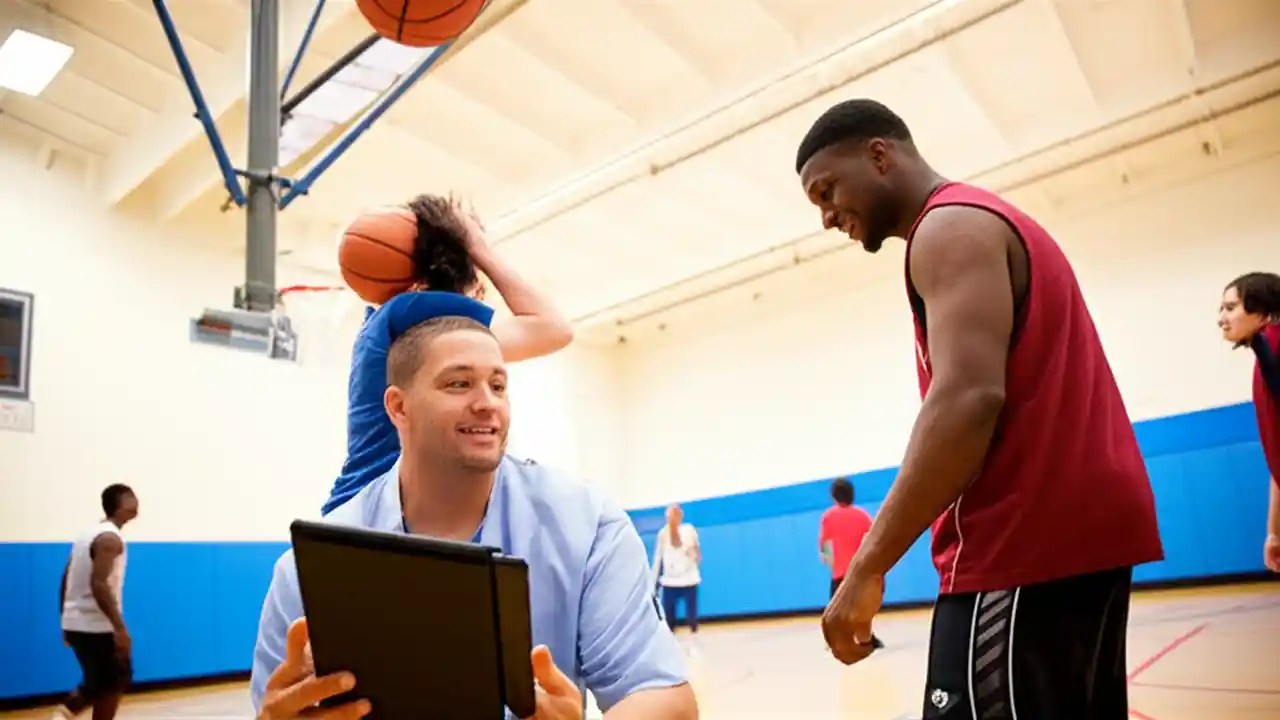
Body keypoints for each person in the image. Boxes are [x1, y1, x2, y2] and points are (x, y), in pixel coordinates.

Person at [794, 98, 1163, 719]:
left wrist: (866, 567)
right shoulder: (983, 221)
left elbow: (967, 401)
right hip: (1078, 535)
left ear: (879, 155)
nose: (828, 217)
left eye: (827, 191)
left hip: (1022, 542)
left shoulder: (948, 228)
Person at [250, 308, 698, 720]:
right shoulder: (308, 569)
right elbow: (273, 708)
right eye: (459, 384)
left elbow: (664, 697)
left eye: (498, 385)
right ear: (398, 407)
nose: (488, 403)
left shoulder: (587, 524)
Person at [323, 194, 573, 515]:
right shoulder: (417, 311)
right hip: (382, 517)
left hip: (357, 513)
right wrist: (480, 247)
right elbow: (553, 329)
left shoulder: (382, 319)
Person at [51, 484, 139, 720]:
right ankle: (64, 713)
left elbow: (65, 578)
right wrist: (120, 628)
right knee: (110, 679)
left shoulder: (86, 534)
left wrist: (65, 620)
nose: (136, 501)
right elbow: (98, 584)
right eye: (130, 497)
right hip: (96, 626)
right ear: (118, 506)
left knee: (109, 680)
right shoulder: (109, 538)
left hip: (78, 623)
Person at [1217, 271, 1280, 572]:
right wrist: (1274, 531)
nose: (1221, 318)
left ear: (1264, 313)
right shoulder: (1264, 361)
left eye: (1230, 308)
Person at [818, 478, 883, 650]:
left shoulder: (828, 516)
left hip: (839, 571)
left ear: (834, 497)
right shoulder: (862, 515)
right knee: (863, 609)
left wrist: (825, 556)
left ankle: (832, 642)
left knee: (835, 610)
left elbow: (824, 543)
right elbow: (873, 538)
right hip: (859, 572)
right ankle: (867, 639)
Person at [650, 504, 701, 636]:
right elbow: (658, 558)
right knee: (669, 620)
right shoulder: (663, 533)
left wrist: (692, 551)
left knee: (692, 619)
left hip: (690, 580)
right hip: (670, 582)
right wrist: (653, 583)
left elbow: (697, 555)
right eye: (670, 516)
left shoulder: (689, 530)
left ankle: (694, 642)